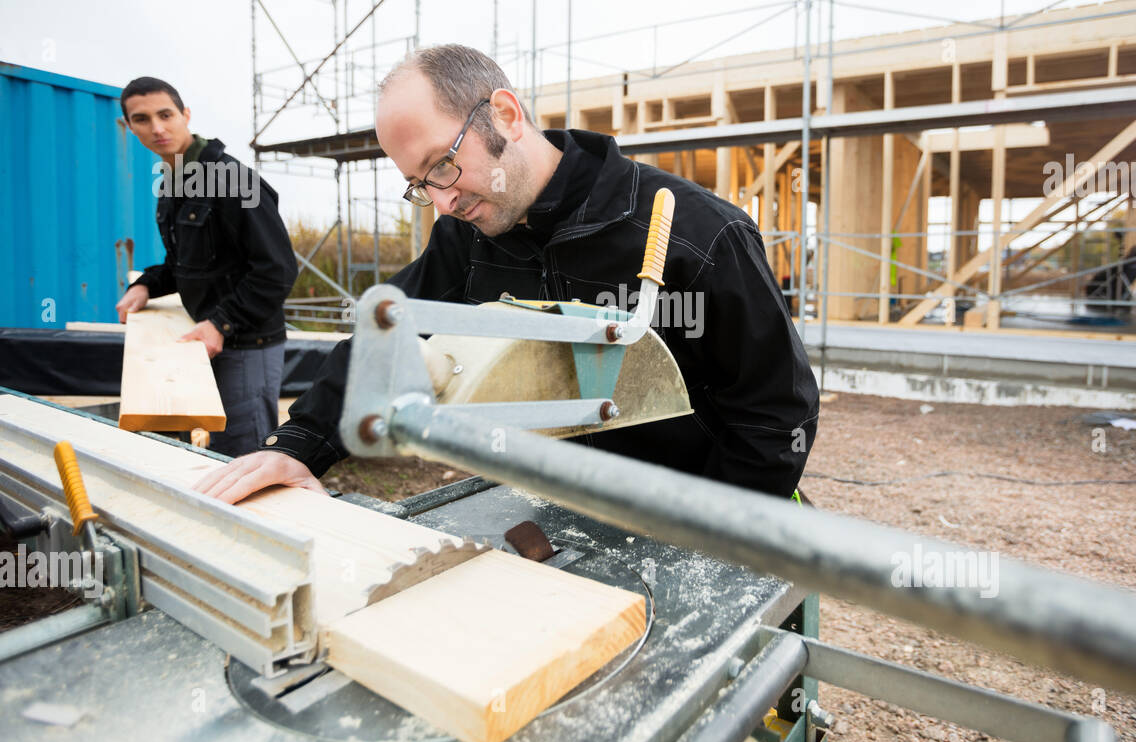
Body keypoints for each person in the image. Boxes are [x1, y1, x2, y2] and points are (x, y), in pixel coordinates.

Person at [194, 45, 819, 504]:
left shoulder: (697, 234)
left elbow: (774, 415)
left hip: (712, 511)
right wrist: (299, 443)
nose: (441, 201)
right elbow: (390, 334)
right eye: (420, 184)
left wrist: (709, 540)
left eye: (442, 165)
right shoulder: (468, 239)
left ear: (506, 114)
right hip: (570, 506)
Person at [114, 77, 298, 456]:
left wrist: (221, 323)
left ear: (186, 115)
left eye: (165, 114)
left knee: (242, 453)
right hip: (203, 337)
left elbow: (277, 269)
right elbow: (182, 263)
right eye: (142, 119)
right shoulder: (172, 182)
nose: (157, 128)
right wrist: (146, 284)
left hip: (246, 343)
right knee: (210, 448)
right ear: (130, 127)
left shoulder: (232, 180)